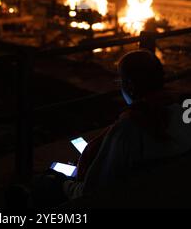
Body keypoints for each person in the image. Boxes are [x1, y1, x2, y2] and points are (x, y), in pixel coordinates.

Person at [16, 50, 191, 208]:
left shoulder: (129, 127)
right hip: (167, 191)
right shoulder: (182, 113)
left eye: (120, 81)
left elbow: (91, 190)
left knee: (45, 183)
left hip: (127, 199)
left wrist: (63, 184)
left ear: (129, 85)